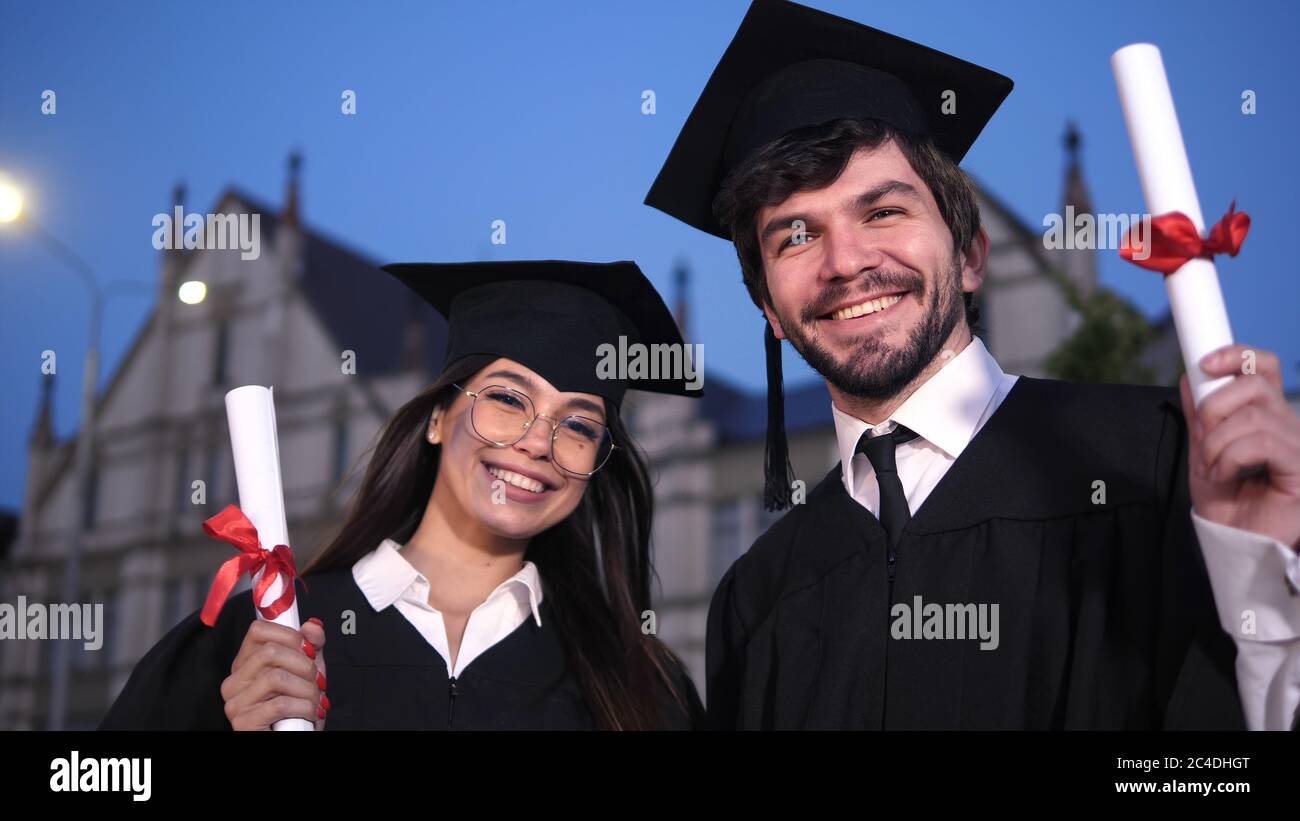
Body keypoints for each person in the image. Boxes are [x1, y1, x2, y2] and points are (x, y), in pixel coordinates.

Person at [644, 0, 1300, 729]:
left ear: (969, 254)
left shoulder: (1156, 462)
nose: (846, 261)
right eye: (795, 237)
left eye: (883, 211)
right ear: (768, 305)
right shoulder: (755, 600)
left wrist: (1262, 585)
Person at [100, 260, 704, 730]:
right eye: (507, 399)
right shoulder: (259, 637)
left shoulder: (643, 684)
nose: (538, 443)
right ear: (437, 419)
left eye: (578, 426)